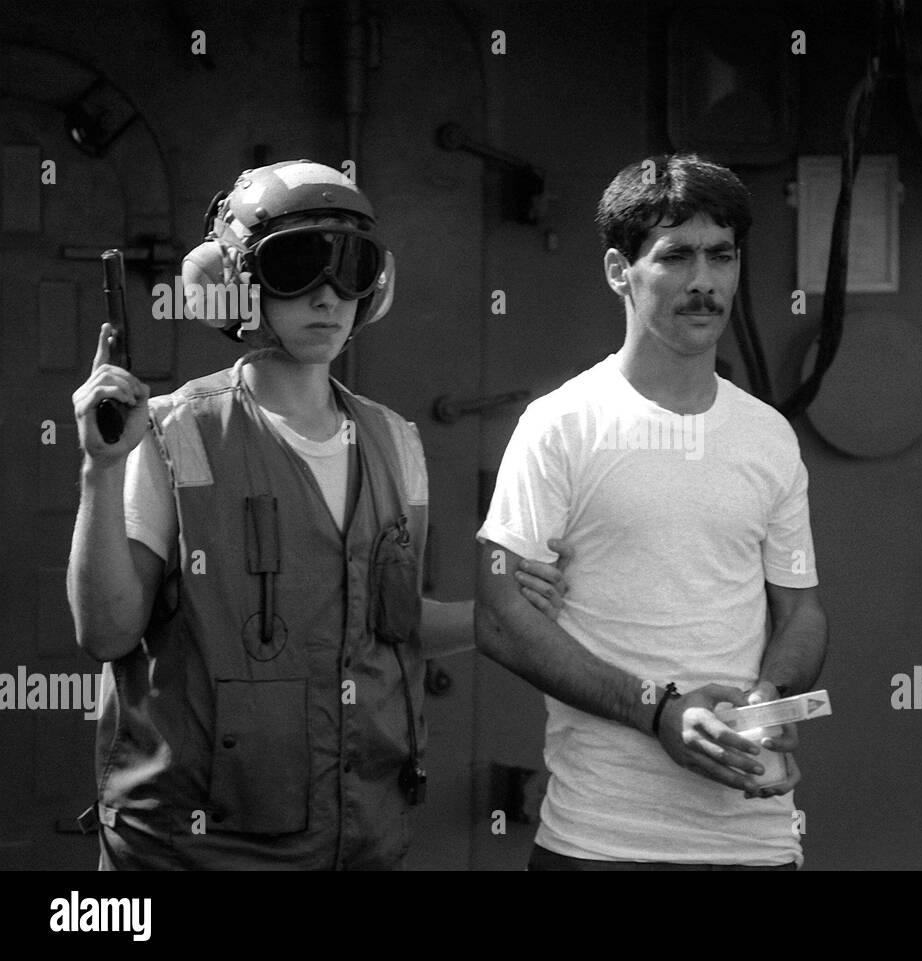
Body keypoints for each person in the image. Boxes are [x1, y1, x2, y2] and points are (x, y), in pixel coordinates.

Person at [68, 160, 569, 870]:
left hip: (359, 843)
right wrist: (102, 468)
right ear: (233, 281)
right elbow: (107, 629)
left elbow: (383, 624)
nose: (328, 296)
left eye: (351, 268)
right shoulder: (172, 431)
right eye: (297, 264)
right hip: (194, 854)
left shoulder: (395, 441)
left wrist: (497, 612)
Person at [475, 153, 828, 869]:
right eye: (675, 257)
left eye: (721, 256)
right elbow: (499, 616)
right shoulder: (561, 424)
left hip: (757, 842)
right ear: (618, 270)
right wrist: (658, 709)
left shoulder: (768, 435)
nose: (704, 282)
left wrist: (770, 700)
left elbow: (802, 613)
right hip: (601, 840)